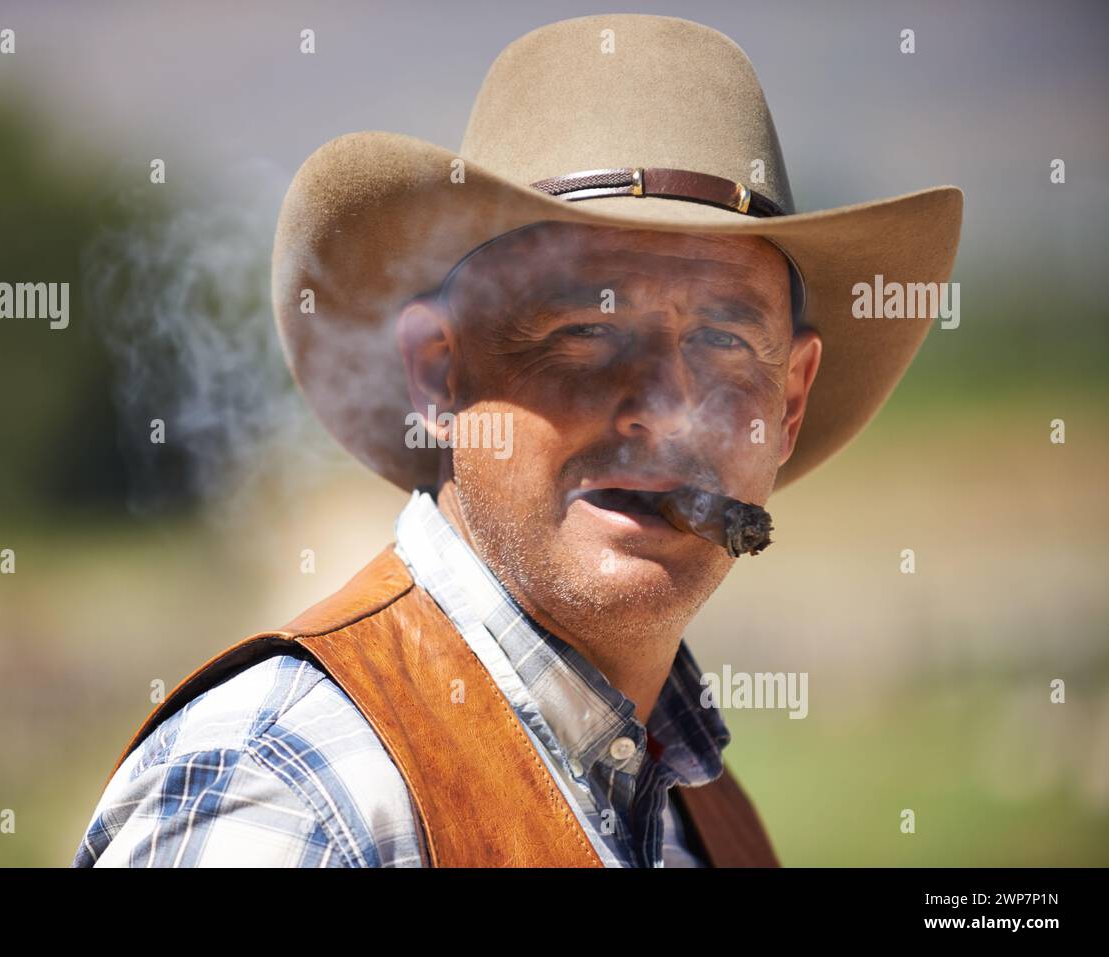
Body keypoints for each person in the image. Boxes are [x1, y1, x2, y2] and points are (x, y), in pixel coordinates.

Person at [73, 13, 961, 867]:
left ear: (790, 404)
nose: (664, 407)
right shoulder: (291, 794)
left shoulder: (707, 815)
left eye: (724, 343)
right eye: (586, 329)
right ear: (437, 372)